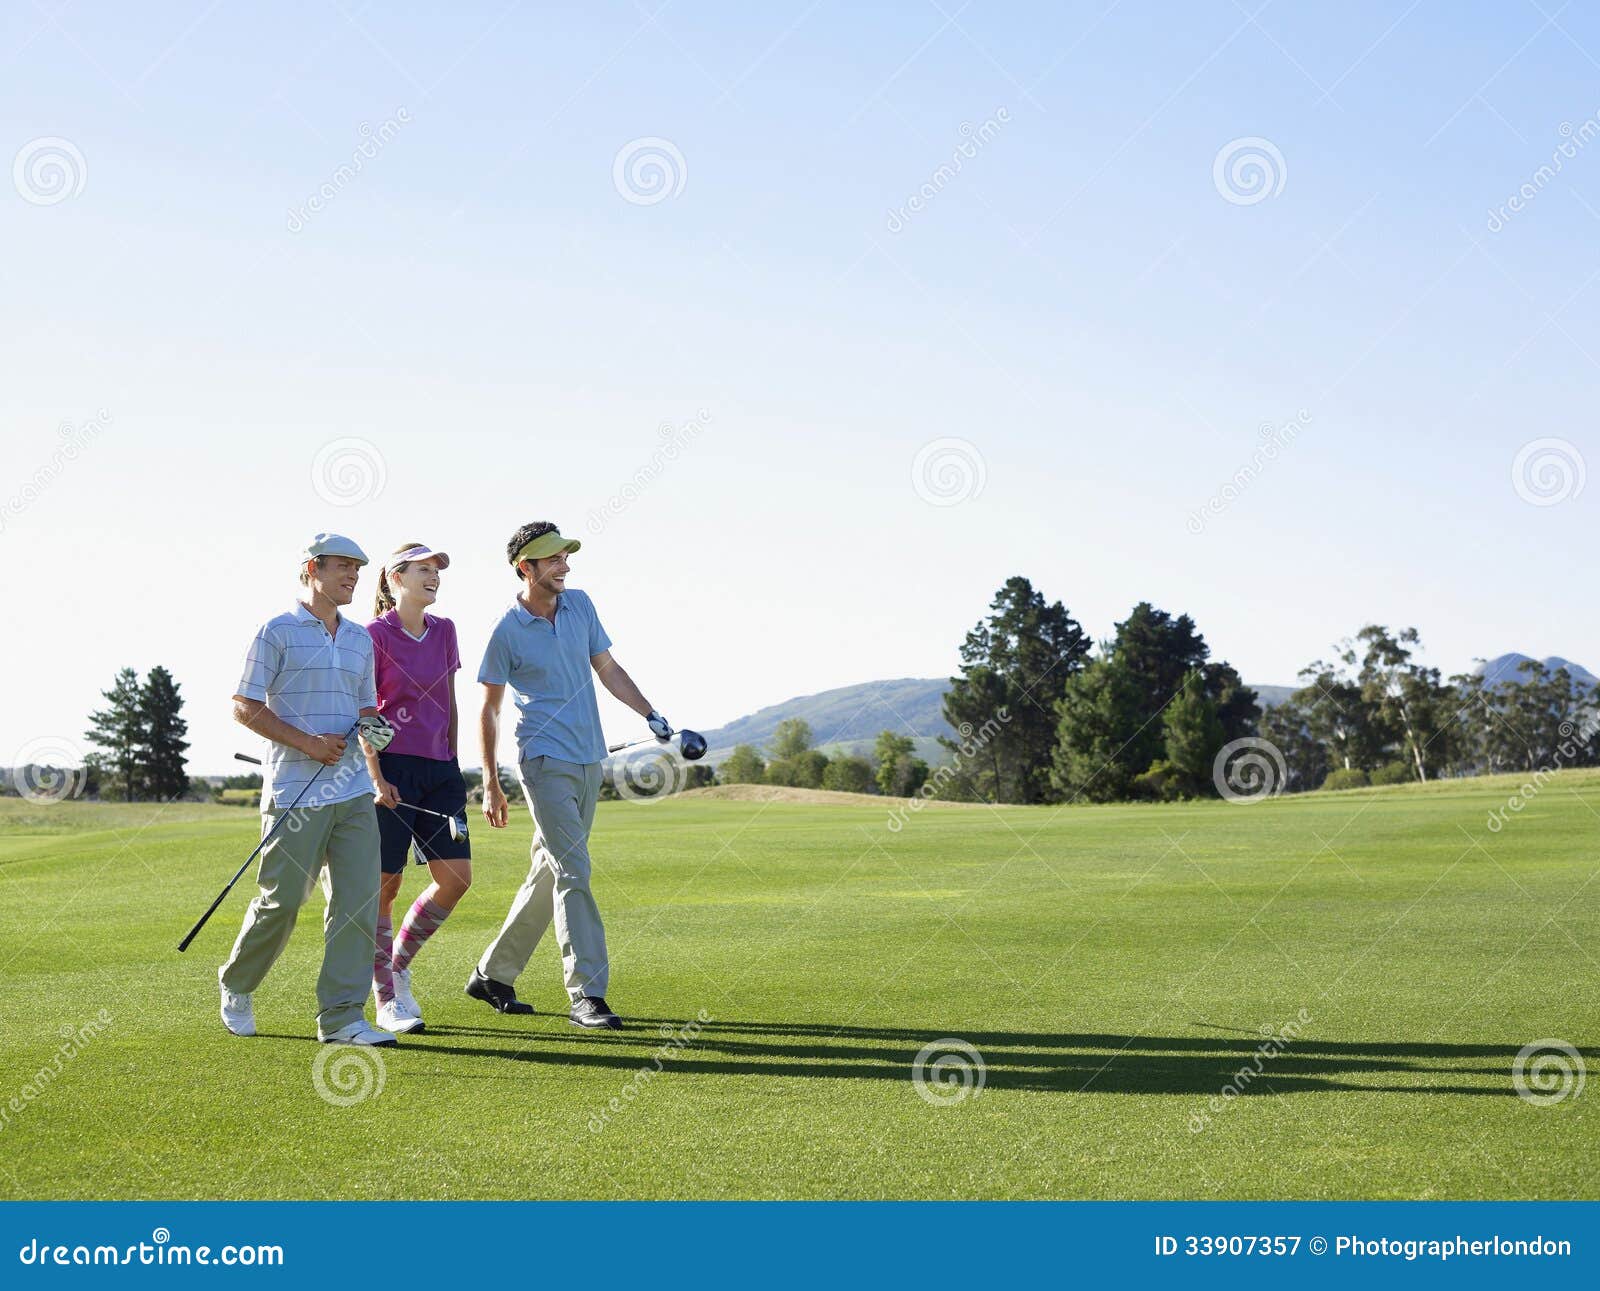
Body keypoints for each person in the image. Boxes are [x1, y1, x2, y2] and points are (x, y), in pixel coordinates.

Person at [467, 521, 675, 1030]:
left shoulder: (580, 604)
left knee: (551, 869)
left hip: (588, 758)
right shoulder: (505, 629)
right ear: (526, 568)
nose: (565, 565)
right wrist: (491, 781)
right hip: (542, 759)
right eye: (554, 559)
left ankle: (492, 975)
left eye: (565, 557)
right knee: (574, 871)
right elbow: (489, 709)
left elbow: (607, 667)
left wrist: (650, 713)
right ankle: (587, 994)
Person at [218, 533, 396, 1047]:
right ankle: (237, 983)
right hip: (294, 793)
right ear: (313, 568)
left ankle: (341, 1017)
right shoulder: (276, 631)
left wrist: (373, 727)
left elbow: (364, 707)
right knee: (282, 903)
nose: (353, 577)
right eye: (343, 567)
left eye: (358, 570)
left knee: (358, 905)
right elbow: (243, 705)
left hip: (353, 794)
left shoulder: (361, 638)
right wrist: (307, 743)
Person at [362, 541, 472, 1036]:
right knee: (386, 885)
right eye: (423, 570)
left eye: (436, 571)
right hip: (392, 769)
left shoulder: (445, 631)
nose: (433, 577)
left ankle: (398, 965)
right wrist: (375, 775)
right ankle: (386, 996)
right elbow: (365, 711)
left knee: (456, 878)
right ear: (394, 579)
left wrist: (453, 759)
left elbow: (449, 699)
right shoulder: (373, 636)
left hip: (441, 769)